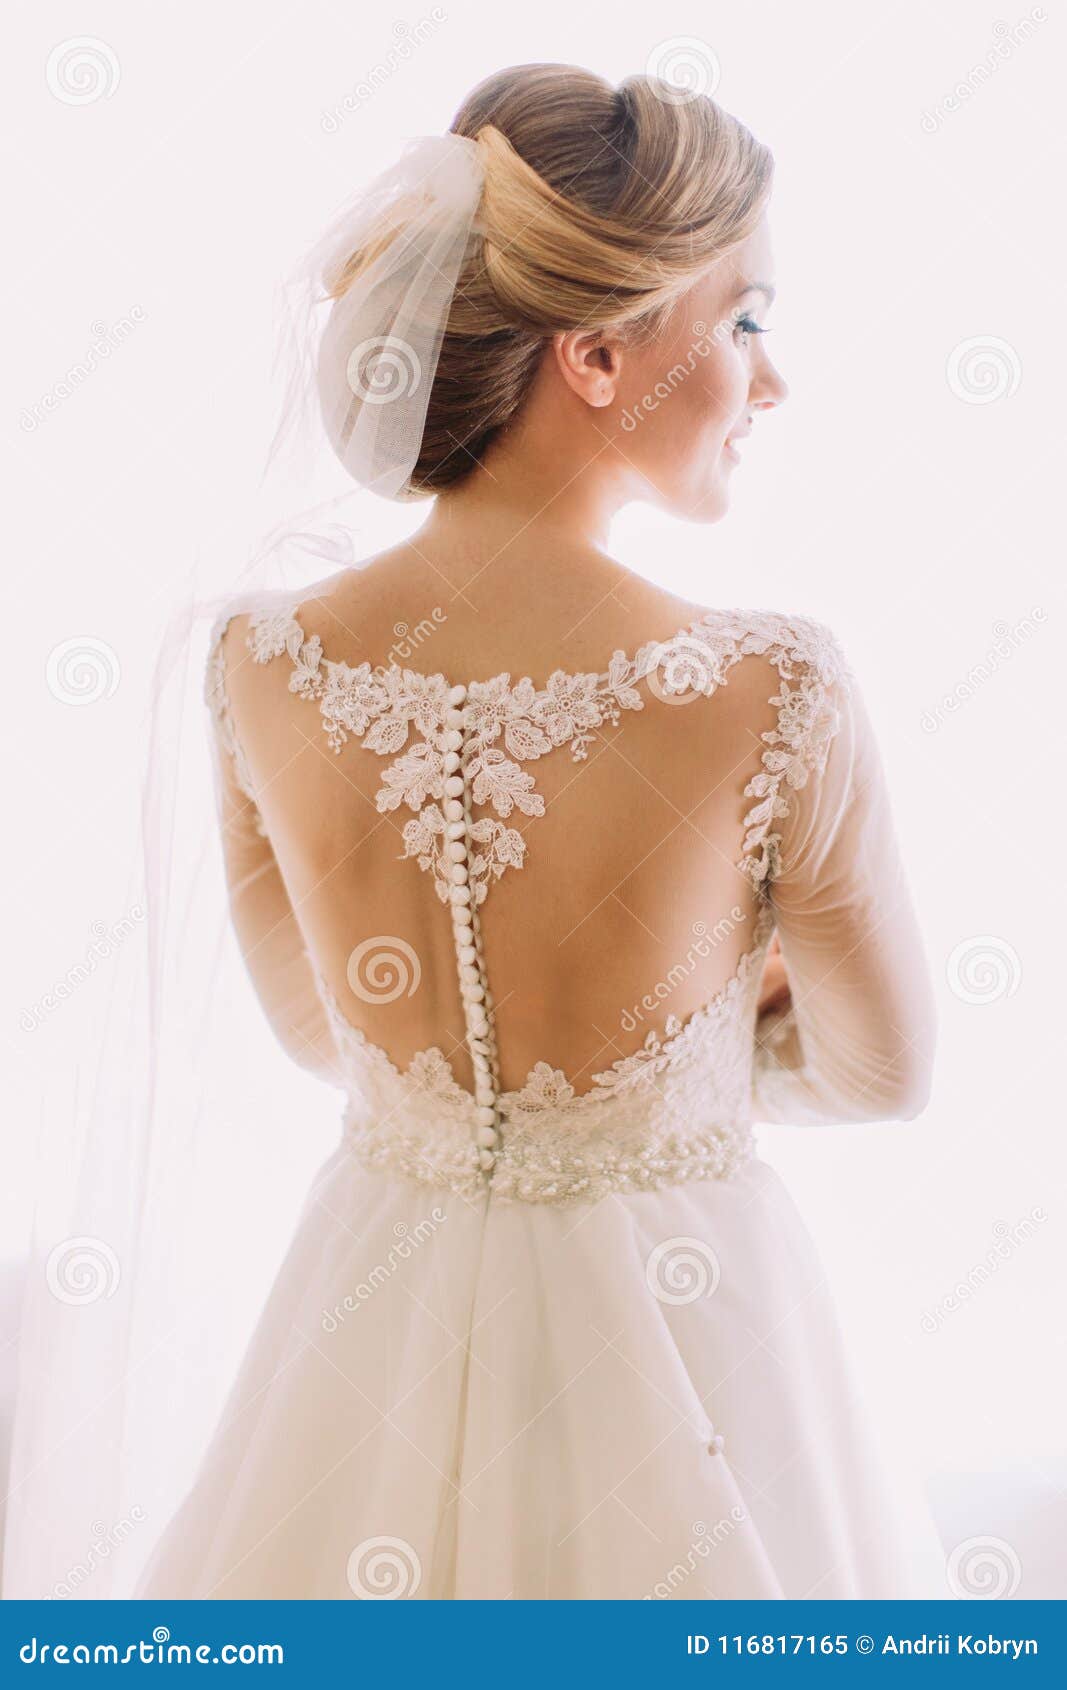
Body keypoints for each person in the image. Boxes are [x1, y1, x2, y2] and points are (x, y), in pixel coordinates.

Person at [9, 62, 945, 1602]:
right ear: (594, 354)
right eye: (747, 321)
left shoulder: (257, 662)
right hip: (691, 1331)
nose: (770, 385)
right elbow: (887, 1072)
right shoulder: (771, 688)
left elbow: (332, 1033)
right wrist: (713, 1040)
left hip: (370, 1325)